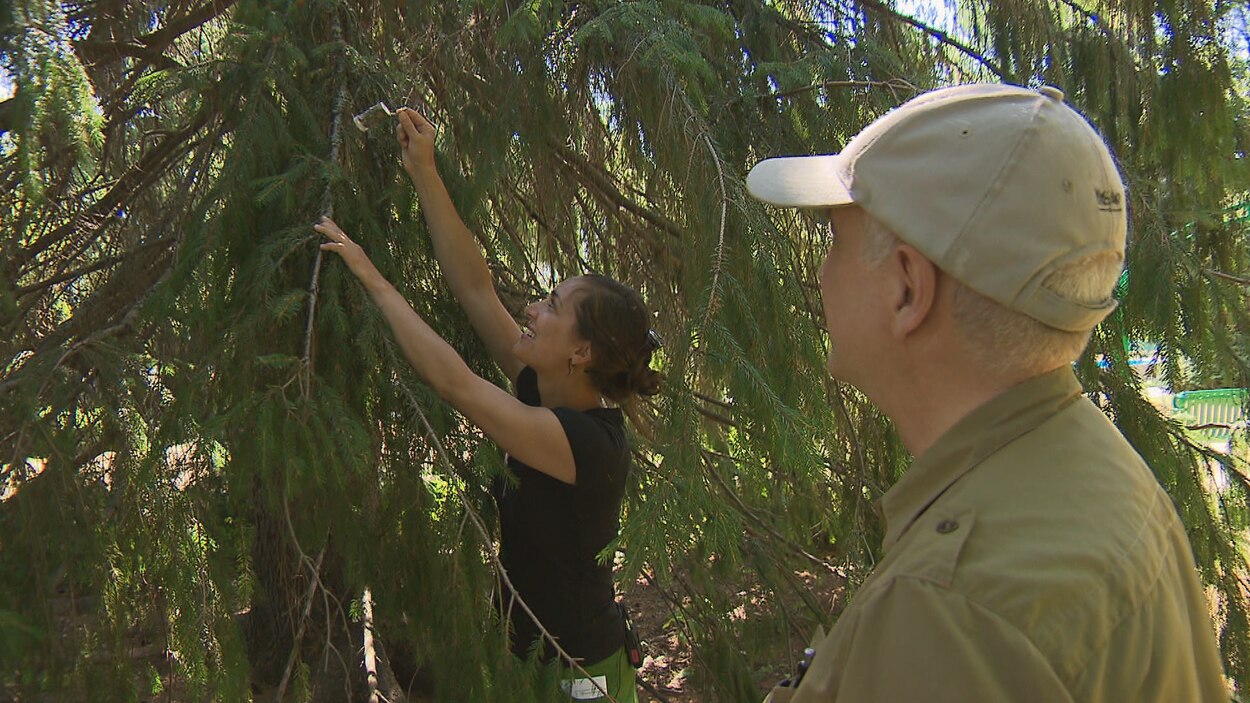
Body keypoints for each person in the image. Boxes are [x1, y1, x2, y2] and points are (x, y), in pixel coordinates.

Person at [746, 84, 1227, 702]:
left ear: (906, 290)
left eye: (836, 241)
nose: (820, 272)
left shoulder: (950, 613)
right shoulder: (1095, 469)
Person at [315, 108, 660, 702]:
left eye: (551, 307)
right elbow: (475, 289)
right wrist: (425, 170)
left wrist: (373, 277)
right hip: (526, 661)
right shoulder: (539, 385)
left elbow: (457, 384)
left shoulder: (587, 444)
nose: (532, 309)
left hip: (579, 674)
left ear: (581, 352)